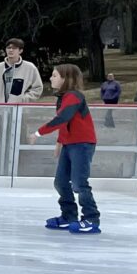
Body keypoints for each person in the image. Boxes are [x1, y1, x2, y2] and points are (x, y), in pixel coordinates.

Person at [38, 63, 100, 234]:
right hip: (69, 144)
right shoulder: (63, 97)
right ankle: (69, 216)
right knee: (61, 181)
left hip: (82, 144)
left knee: (79, 183)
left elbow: (63, 118)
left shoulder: (74, 96)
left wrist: (38, 133)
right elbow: (66, 124)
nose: (51, 78)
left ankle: (91, 219)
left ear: (65, 79)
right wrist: (60, 142)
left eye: (54, 75)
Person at [0, 38, 44, 104]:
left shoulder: (30, 68)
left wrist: (23, 100)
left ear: (20, 50)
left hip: (20, 110)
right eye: (8, 48)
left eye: (14, 48)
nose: (11, 50)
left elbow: (37, 88)